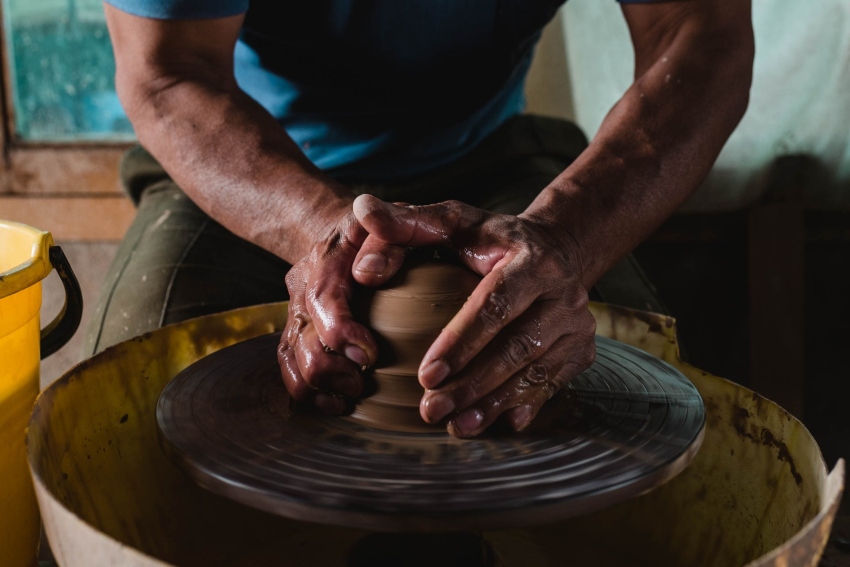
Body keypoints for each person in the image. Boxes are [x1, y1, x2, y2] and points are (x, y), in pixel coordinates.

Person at [89, 0, 753, 438]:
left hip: (490, 148)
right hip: (251, 159)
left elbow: (701, 33)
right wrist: (319, 229)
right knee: (134, 406)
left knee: (633, 393)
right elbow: (169, 70)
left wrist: (565, 241)